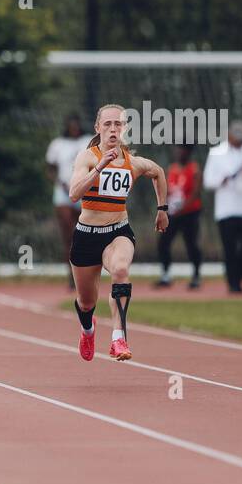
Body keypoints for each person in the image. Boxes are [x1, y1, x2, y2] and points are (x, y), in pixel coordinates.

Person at [67, 104, 168, 362]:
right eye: (108, 124)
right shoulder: (87, 157)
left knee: (121, 270)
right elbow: (74, 194)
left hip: (117, 232)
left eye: (118, 124)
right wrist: (99, 167)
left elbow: (158, 172)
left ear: (125, 129)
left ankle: (118, 337)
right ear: (98, 128)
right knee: (86, 302)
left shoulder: (133, 163)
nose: (113, 129)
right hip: (87, 235)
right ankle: (87, 329)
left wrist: (162, 209)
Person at [203, 120, 242, 294]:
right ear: (229, 135)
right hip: (227, 209)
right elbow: (208, 181)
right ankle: (233, 284)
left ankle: (239, 274)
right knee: (230, 248)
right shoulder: (216, 153)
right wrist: (222, 179)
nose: (239, 140)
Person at [46, 114, 92, 289]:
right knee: (69, 235)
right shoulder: (57, 144)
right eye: (70, 126)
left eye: (76, 125)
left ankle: (87, 273)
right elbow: (50, 169)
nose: (73, 128)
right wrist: (60, 182)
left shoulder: (88, 141)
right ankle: (71, 275)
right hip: (63, 192)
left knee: (85, 234)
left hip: (84, 191)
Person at [155, 143, 203, 289]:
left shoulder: (194, 169)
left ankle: (196, 275)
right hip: (172, 214)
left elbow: (196, 193)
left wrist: (182, 207)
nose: (179, 152)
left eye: (182, 149)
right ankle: (166, 274)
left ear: (188, 151)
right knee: (163, 243)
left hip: (189, 213)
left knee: (191, 244)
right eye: (178, 149)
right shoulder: (172, 169)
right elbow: (166, 190)